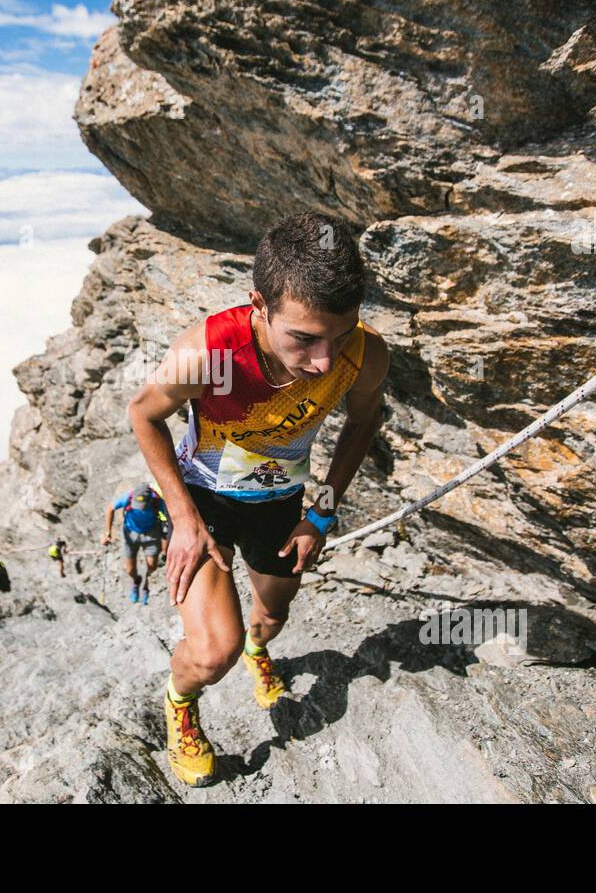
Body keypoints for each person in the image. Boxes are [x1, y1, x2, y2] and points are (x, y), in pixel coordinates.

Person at [127, 212, 390, 787]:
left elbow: (364, 422)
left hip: (280, 504)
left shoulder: (365, 354)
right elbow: (144, 414)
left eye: (339, 335)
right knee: (214, 652)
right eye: (303, 337)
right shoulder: (211, 352)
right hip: (206, 502)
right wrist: (185, 519)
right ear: (259, 304)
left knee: (270, 616)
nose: (324, 360)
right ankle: (180, 701)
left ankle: (259, 649)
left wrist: (321, 510)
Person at [102, 482, 169, 605]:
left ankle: (146, 587)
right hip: (130, 532)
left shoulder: (158, 502)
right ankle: (136, 581)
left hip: (151, 533)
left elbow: (168, 520)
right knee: (130, 569)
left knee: (152, 566)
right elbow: (110, 508)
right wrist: (107, 533)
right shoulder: (127, 497)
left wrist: (167, 541)